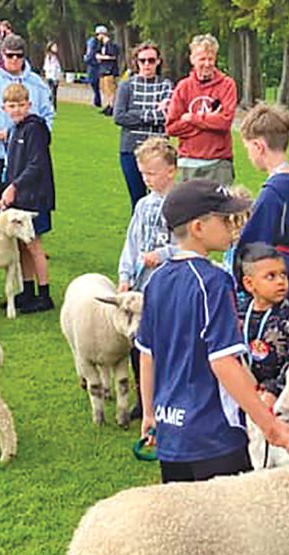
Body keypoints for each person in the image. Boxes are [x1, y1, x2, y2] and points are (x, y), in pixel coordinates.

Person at [135, 179, 289, 483]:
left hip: (171, 432)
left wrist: (149, 414)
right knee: (232, 527)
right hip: (213, 435)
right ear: (198, 227)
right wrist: (270, 426)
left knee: (186, 524)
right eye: (224, 219)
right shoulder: (213, 281)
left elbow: (147, 355)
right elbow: (223, 362)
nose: (231, 226)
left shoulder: (156, 280)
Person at [237, 102, 289, 316]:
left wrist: (240, 278)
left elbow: (252, 245)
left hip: (269, 280)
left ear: (258, 146)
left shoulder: (272, 194)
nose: (249, 155)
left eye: (248, 148)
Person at [117, 137, 179, 419]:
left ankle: (168, 399)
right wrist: (125, 275)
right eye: (143, 174)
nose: (147, 179)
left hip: (170, 286)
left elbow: (191, 244)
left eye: (152, 174)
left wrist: (164, 254)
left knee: (168, 345)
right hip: (142, 288)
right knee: (140, 344)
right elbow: (132, 242)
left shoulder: (182, 204)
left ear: (171, 171)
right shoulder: (143, 205)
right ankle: (144, 402)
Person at [0, 82, 55, 313]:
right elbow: (14, 166)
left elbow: (37, 164)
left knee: (34, 244)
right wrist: (8, 191)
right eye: (11, 106)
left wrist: (15, 186)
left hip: (35, 197)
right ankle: (27, 291)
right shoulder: (14, 130)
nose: (16, 110)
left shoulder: (34, 129)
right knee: (22, 246)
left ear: (29, 105)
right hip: (20, 196)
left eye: (20, 105)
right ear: (3, 108)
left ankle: (44, 294)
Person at [0, 33, 54, 213]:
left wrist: (39, 138)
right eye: (10, 55)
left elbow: (47, 113)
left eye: (19, 55)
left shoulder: (36, 83)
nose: (14, 59)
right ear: (2, 54)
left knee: (23, 199)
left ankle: (20, 240)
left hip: (26, 152)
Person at [236, 243, 289, 407]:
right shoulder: (239, 312)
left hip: (276, 395)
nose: (281, 281)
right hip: (242, 386)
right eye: (271, 276)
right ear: (249, 284)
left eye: (283, 275)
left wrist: (273, 390)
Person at [165, 34, 237, 185]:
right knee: (187, 208)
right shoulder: (183, 87)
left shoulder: (227, 85)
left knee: (221, 209)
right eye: (202, 59)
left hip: (218, 163)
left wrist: (193, 118)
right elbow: (171, 127)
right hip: (188, 163)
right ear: (192, 59)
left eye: (210, 58)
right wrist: (209, 121)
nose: (207, 63)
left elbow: (225, 122)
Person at [113, 40, 173, 212]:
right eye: (143, 60)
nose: (147, 65)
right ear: (136, 62)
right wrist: (151, 113)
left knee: (161, 199)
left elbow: (166, 116)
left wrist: (136, 113)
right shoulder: (126, 86)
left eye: (151, 60)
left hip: (159, 151)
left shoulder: (165, 85)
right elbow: (119, 116)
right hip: (130, 150)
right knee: (138, 200)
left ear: (158, 61)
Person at [95, 28, 121, 116]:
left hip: (109, 70)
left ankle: (112, 107)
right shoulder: (102, 45)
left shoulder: (110, 45)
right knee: (104, 89)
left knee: (111, 89)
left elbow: (113, 56)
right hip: (103, 70)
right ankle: (107, 105)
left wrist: (102, 57)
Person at [83, 26, 104, 109]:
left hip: (93, 65)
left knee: (95, 84)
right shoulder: (94, 42)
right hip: (93, 65)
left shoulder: (94, 42)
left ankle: (97, 101)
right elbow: (91, 54)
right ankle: (97, 101)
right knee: (94, 82)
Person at [42, 40, 62, 110]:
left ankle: (52, 107)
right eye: (54, 46)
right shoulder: (50, 57)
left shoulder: (54, 57)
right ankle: (51, 108)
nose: (56, 48)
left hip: (53, 77)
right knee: (52, 93)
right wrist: (54, 78)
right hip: (52, 77)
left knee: (53, 93)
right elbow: (49, 68)